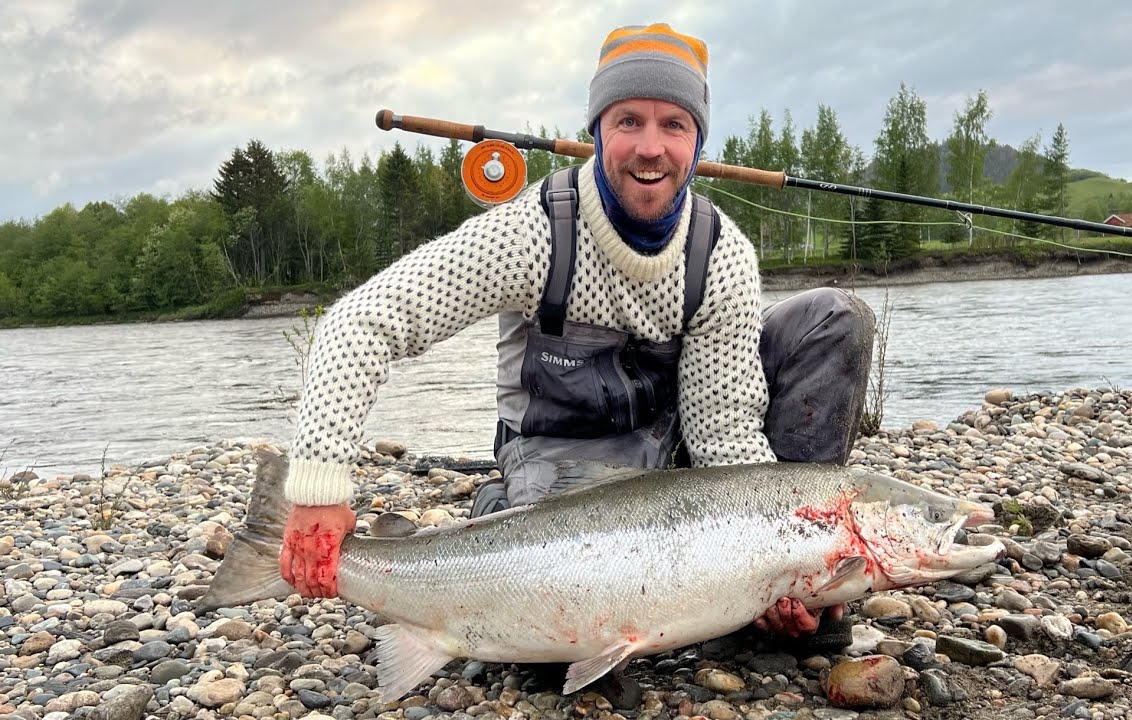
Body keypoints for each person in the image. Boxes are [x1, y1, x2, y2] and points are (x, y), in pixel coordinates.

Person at [278, 23, 874, 648]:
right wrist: (319, 487)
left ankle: (809, 570)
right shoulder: (529, 236)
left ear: (697, 141)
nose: (651, 147)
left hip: (668, 456)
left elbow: (721, 431)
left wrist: (777, 563)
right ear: (597, 132)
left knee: (836, 317)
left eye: (674, 124)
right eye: (628, 121)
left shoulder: (720, 255)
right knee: (545, 644)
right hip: (555, 462)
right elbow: (360, 322)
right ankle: (497, 520)